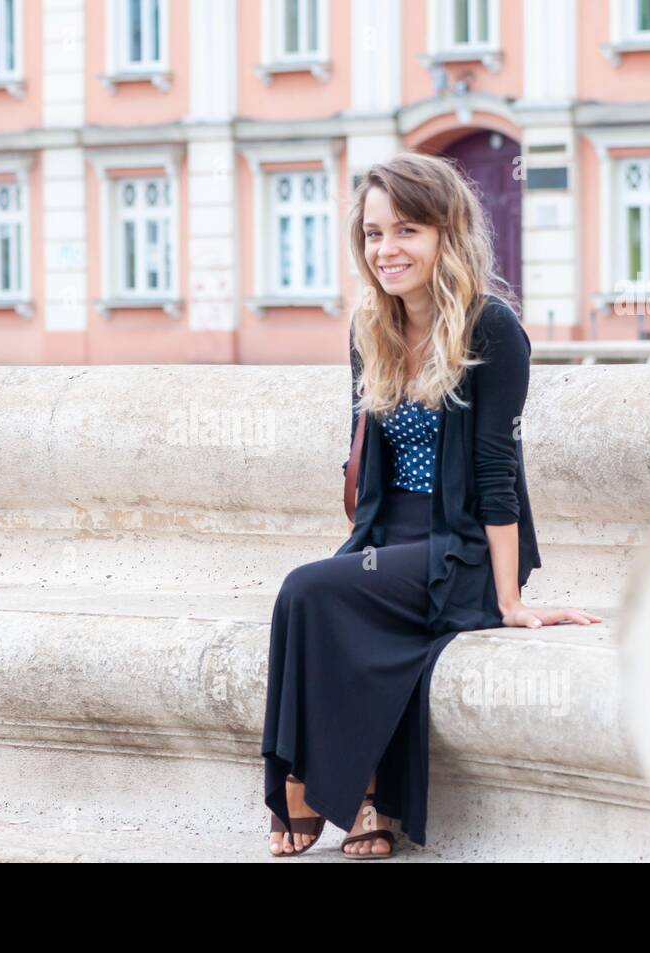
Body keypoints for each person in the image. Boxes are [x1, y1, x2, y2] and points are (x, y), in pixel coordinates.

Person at [262, 152, 601, 859]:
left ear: (448, 233)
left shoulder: (492, 329)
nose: (387, 250)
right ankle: (360, 798)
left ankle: (319, 788)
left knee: (312, 589)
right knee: (311, 593)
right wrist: (362, 549)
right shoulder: (370, 328)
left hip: (464, 546)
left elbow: (496, 470)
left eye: (407, 230)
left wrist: (509, 600)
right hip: (392, 534)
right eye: (374, 233)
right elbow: (369, 464)